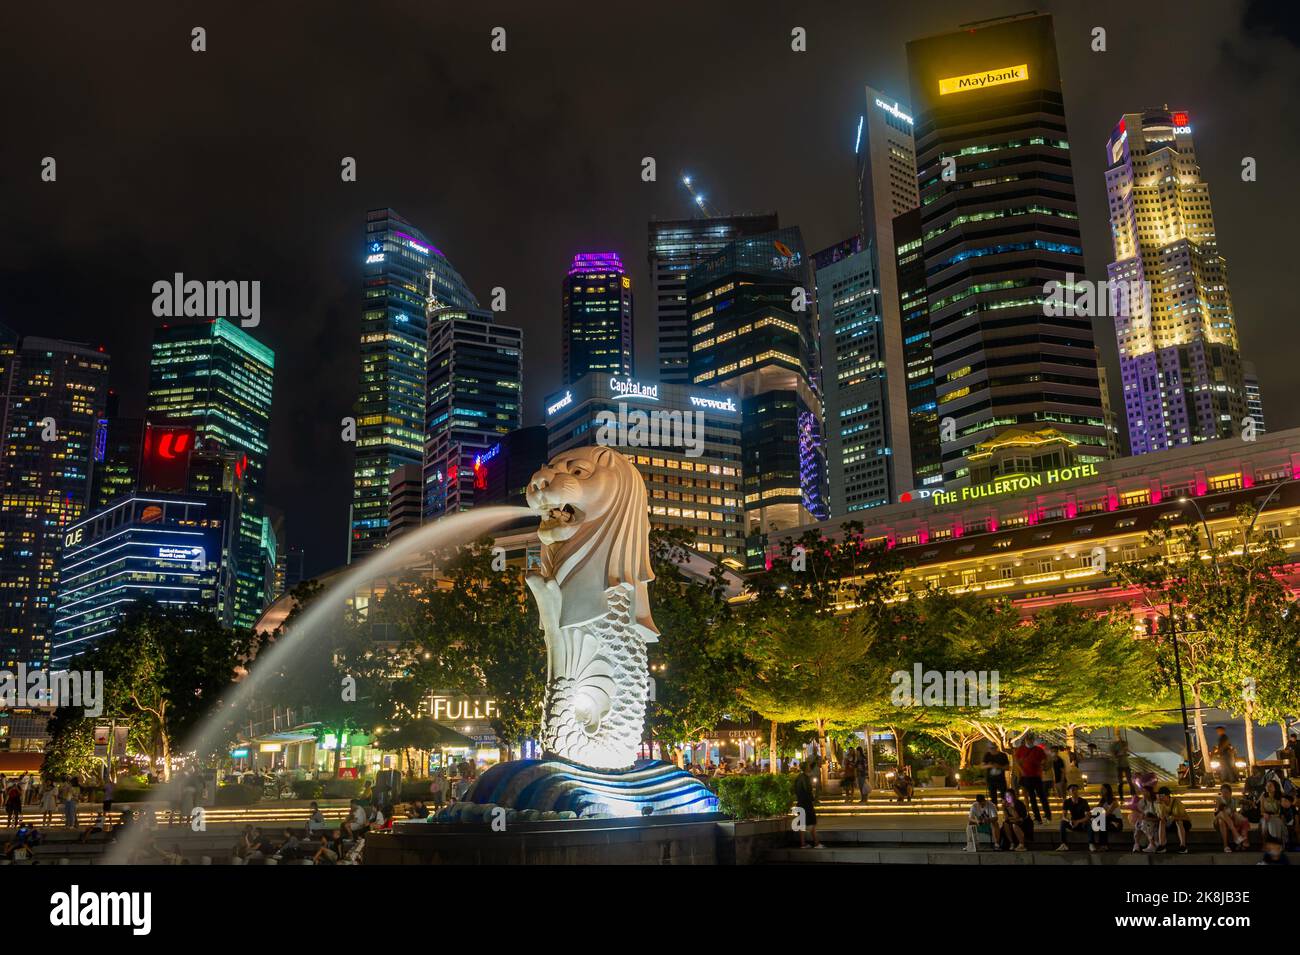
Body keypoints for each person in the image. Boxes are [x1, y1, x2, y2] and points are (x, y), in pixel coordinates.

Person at [1014, 733, 1050, 822]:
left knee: (1042, 796)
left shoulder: (1038, 750)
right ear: (1025, 740)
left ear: (1033, 740)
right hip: (1027, 777)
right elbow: (1016, 761)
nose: (1030, 741)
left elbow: (1045, 759)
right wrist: (1021, 771)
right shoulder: (1020, 750)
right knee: (1032, 797)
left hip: (1037, 776)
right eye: (1028, 740)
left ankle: (1048, 815)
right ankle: (1037, 817)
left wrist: (1043, 765)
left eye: (1031, 740)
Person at [1155, 786, 1191, 854]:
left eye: (1162, 796)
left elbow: (1185, 817)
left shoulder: (1176, 802)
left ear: (1167, 796)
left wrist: (1174, 817)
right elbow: (1162, 817)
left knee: (1178, 821)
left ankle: (1183, 846)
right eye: (1159, 796)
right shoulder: (1159, 804)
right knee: (1161, 822)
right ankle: (1162, 845)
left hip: (1183, 823)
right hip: (1170, 823)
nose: (1160, 798)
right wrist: (1160, 805)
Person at [1215, 784, 1250, 852]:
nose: (1224, 794)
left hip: (1228, 822)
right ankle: (1235, 835)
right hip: (1218, 820)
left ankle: (1226, 846)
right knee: (1222, 816)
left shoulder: (1234, 800)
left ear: (1230, 793)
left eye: (1226, 792)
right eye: (1223, 792)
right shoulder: (1219, 799)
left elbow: (1242, 802)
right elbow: (1219, 811)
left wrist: (1250, 803)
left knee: (1223, 821)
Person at [794, 763, 821, 849]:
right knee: (812, 822)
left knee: (802, 823)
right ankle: (816, 843)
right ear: (806, 768)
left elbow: (795, 789)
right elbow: (807, 790)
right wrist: (812, 797)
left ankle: (803, 844)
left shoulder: (798, 777)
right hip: (806, 802)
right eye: (809, 766)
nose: (810, 768)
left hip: (800, 802)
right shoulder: (805, 778)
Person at [1089, 783, 1123, 852]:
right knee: (1102, 822)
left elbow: (1107, 814)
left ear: (1108, 790)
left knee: (1102, 821)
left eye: (1103, 789)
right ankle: (1103, 845)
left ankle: (1103, 845)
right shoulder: (1102, 801)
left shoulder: (1114, 801)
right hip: (1108, 822)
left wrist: (1095, 818)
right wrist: (1089, 814)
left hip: (1117, 823)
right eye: (1101, 789)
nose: (1101, 790)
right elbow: (1095, 810)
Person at [1056, 784, 1090, 850]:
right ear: (1069, 792)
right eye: (1072, 789)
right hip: (1073, 823)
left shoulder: (1083, 801)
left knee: (1089, 823)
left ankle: (1091, 843)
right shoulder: (1067, 802)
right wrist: (1069, 821)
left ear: (1078, 791)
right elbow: (1063, 816)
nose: (1074, 791)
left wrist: (1078, 821)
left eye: (1076, 789)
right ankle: (1064, 844)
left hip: (1082, 823)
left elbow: (1087, 816)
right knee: (1063, 822)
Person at [1132, 785, 1160, 853]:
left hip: (1155, 820)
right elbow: (1141, 813)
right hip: (1146, 820)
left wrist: (1146, 818)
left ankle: (1152, 844)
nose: (1143, 793)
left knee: (1144, 823)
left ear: (1150, 792)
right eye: (1143, 791)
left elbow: (1159, 817)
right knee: (1138, 824)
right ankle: (1136, 844)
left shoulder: (1156, 802)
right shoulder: (1142, 802)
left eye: (1145, 791)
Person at [1260, 778, 1288, 844]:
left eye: (1270, 786)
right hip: (1266, 816)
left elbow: (1281, 812)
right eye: (1267, 786)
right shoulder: (1263, 796)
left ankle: (1277, 842)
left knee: (1273, 822)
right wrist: (1264, 814)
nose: (1268, 787)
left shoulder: (1280, 797)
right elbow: (1261, 810)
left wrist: (1272, 816)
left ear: (1275, 787)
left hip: (1278, 816)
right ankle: (1265, 843)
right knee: (1264, 823)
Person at [1111, 735, 1132, 800]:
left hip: (1125, 765)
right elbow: (1114, 754)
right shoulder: (1114, 745)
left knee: (1129, 781)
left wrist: (1125, 752)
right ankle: (1121, 797)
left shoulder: (1124, 743)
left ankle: (1133, 795)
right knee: (1121, 782)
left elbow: (1127, 751)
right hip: (1119, 765)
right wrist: (1120, 754)